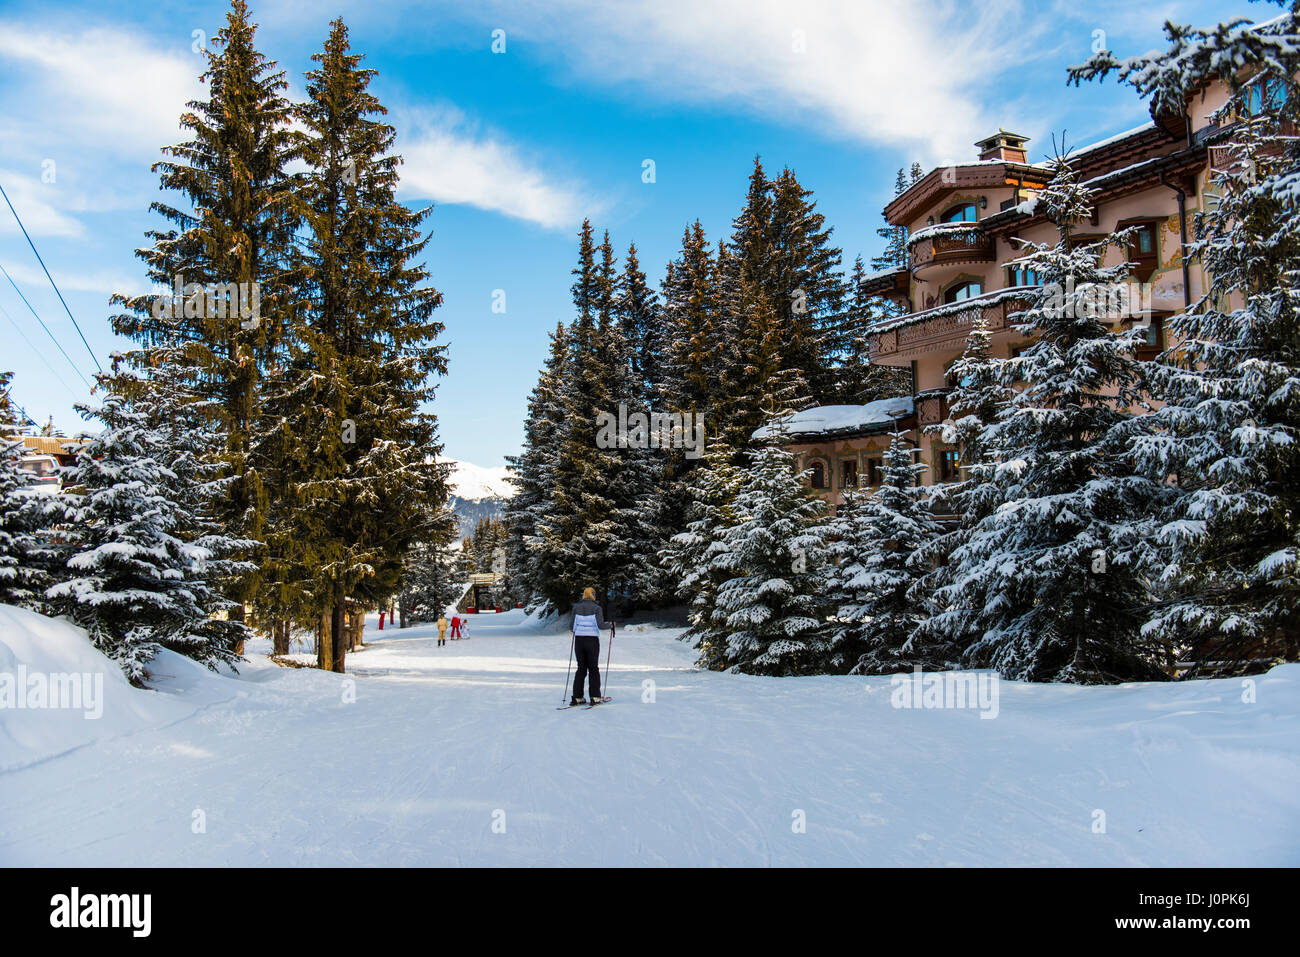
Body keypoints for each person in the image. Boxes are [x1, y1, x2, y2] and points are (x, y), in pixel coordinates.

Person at [569, 587, 612, 706]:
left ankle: (577, 697)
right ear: (593, 595)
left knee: (581, 668)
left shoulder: (576, 607)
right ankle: (595, 697)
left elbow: (571, 626)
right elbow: (601, 625)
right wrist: (611, 625)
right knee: (593, 668)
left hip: (579, 641)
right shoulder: (597, 608)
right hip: (592, 641)